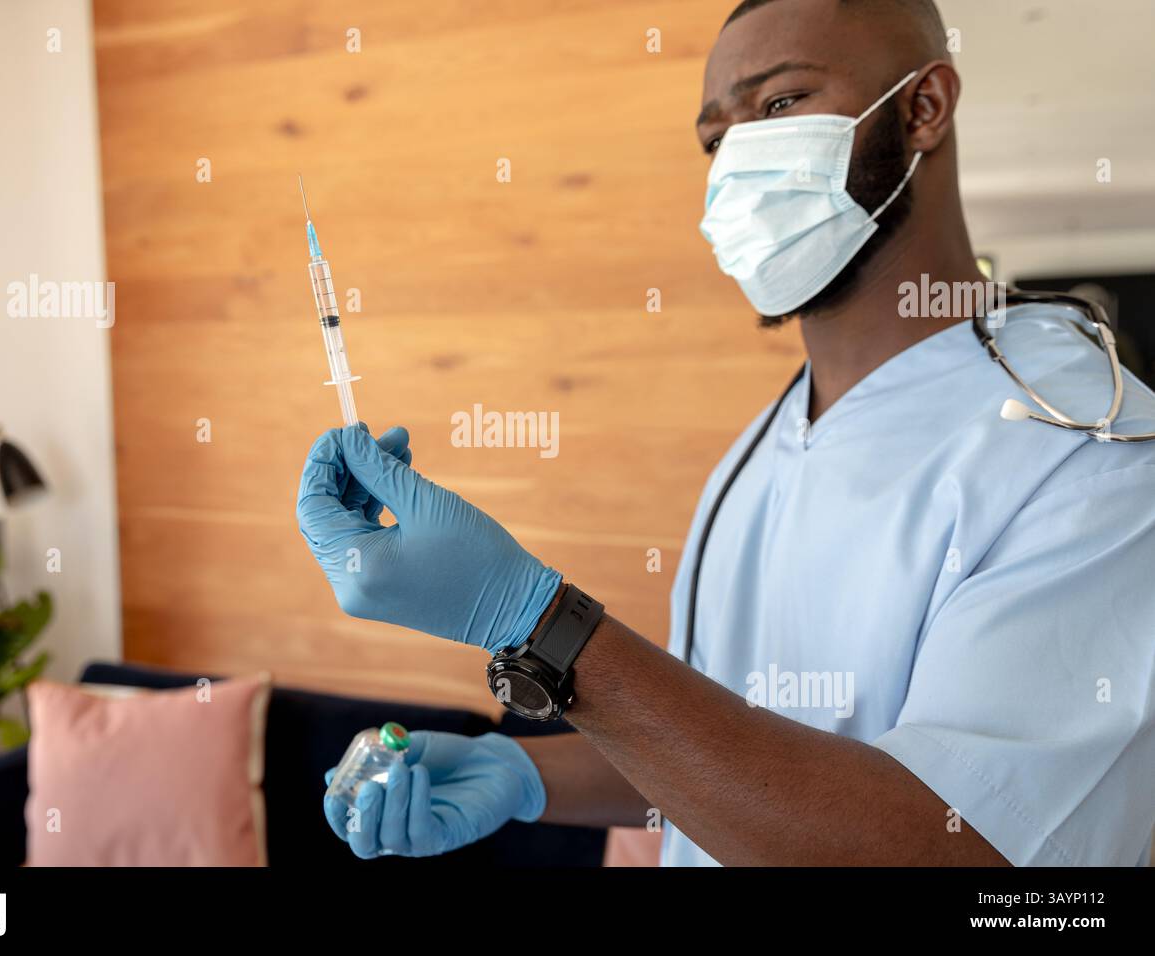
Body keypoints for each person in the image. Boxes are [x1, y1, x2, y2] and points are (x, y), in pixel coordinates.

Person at [297, 0, 1155, 866]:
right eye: (716, 139)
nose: (740, 158)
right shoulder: (766, 447)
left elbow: (950, 846)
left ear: (922, 106)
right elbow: (729, 746)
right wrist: (525, 772)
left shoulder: (1090, 453)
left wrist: (538, 625)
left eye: (780, 105)